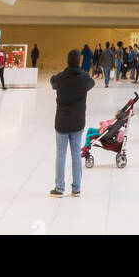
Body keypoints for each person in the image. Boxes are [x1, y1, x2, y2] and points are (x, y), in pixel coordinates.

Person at [49, 49, 95, 197]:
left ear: (67, 61)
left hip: (62, 121)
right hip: (78, 121)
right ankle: (76, 188)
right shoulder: (84, 78)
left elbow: (52, 81)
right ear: (79, 62)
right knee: (76, 155)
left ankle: (59, 188)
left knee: (60, 154)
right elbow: (92, 82)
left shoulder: (61, 78)